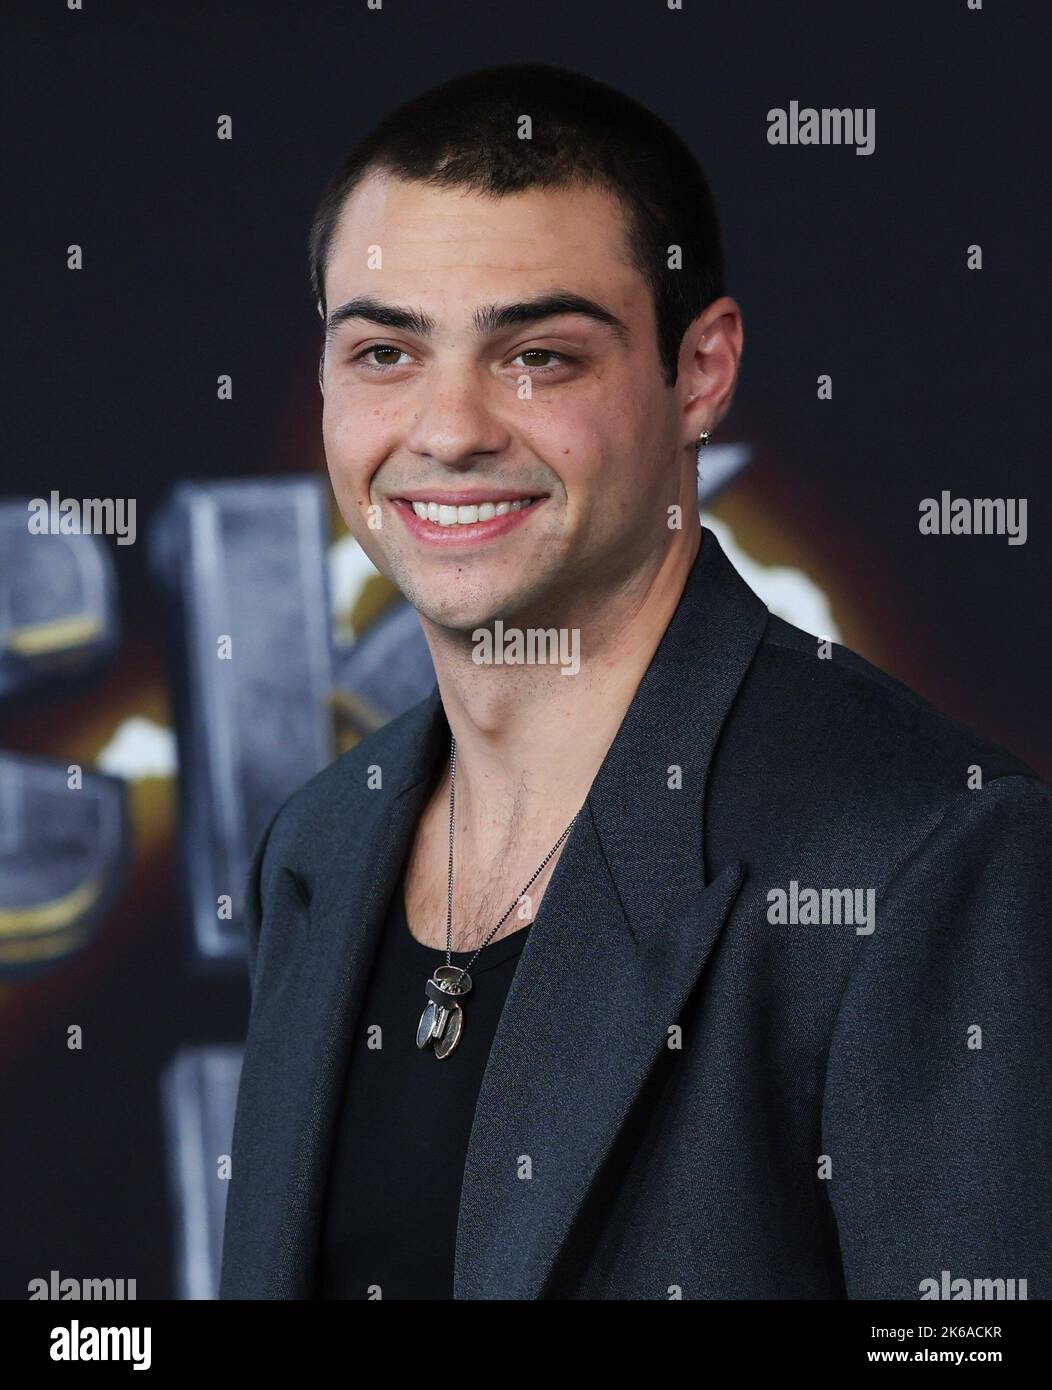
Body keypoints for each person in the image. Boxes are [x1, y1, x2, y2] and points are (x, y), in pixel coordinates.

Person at [219, 63, 1052, 1301]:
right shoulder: (320, 844)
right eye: (387, 350)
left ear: (701, 369)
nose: (448, 429)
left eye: (538, 356)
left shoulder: (923, 852)